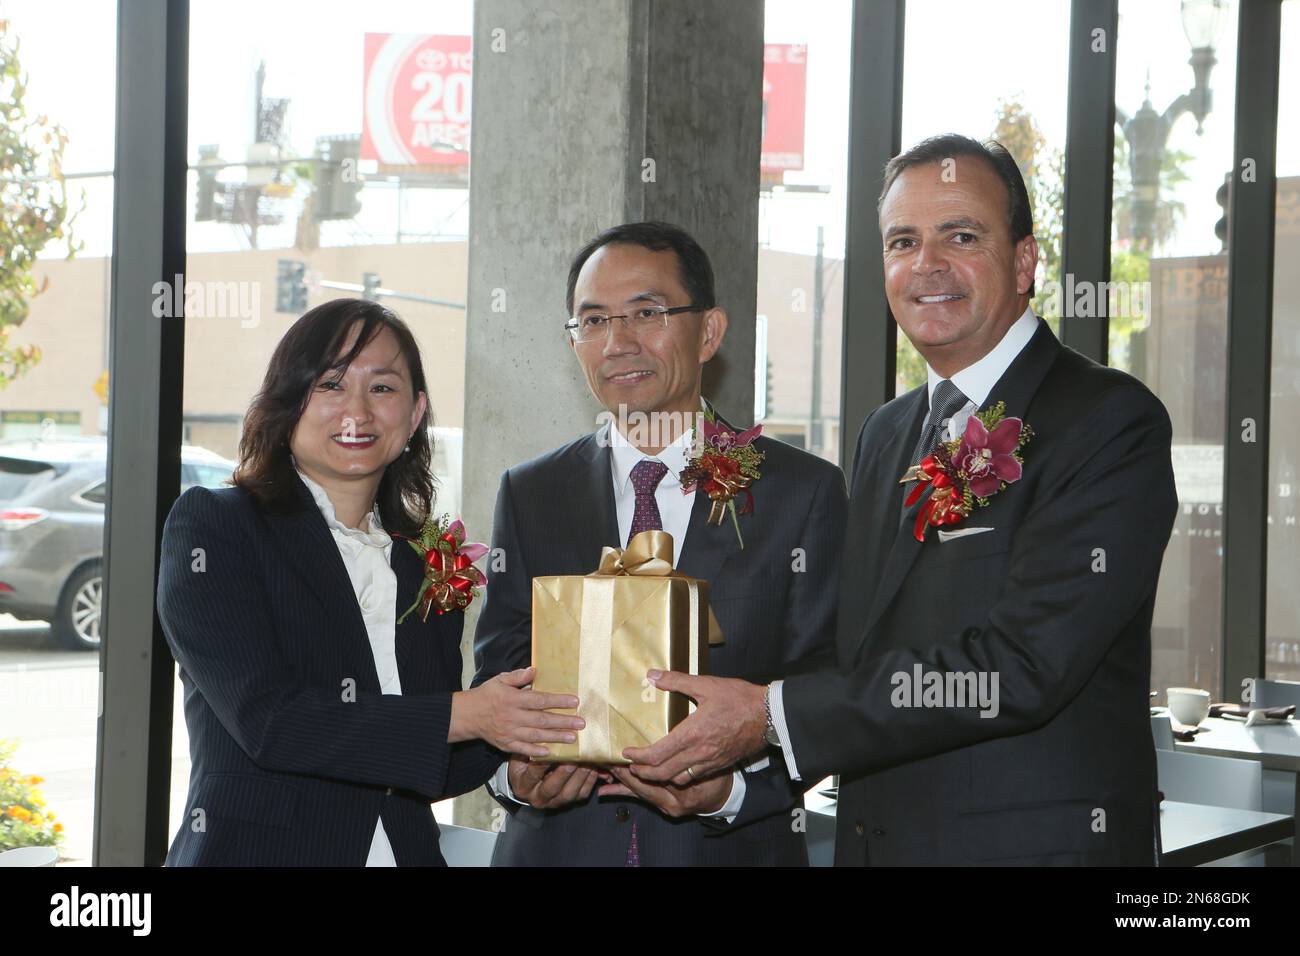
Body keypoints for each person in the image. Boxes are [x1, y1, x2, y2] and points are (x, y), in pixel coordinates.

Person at [625, 135, 1179, 866]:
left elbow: (1024, 665)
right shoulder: (886, 432)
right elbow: (858, 651)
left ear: (1024, 261)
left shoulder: (1108, 419)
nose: (927, 264)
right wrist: (734, 780)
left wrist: (768, 713)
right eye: (903, 241)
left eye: (962, 236)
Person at [473, 221, 847, 865]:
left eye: (647, 313)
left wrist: (731, 791)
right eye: (594, 321)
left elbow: (827, 692)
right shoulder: (531, 492)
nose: (618, 343)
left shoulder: (801, 491)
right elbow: (498, 678)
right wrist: (515, 777)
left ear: (709, 332)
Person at [157, 298, 581, 866]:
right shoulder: (217, 525)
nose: (356, 410)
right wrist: (469, 714)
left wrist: (516, 764)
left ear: (415, 412)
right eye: (331, 384)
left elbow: (424, 752)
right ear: (289, 401)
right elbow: (270, 722)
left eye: (382, 387)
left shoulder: (425, 557)